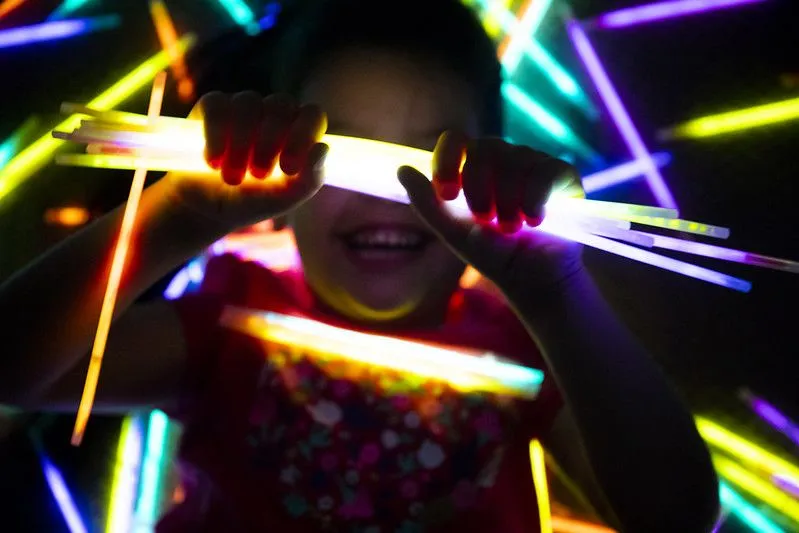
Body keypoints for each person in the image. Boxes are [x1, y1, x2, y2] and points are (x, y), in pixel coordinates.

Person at [0, 0, 719, 531]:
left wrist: (558, 293)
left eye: (428, 156)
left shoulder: (522, 350)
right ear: (277, 188)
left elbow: (677, 517)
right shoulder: (231, 323)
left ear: (492, 173)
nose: (392, 194)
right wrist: (178, 213)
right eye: (349, 154)